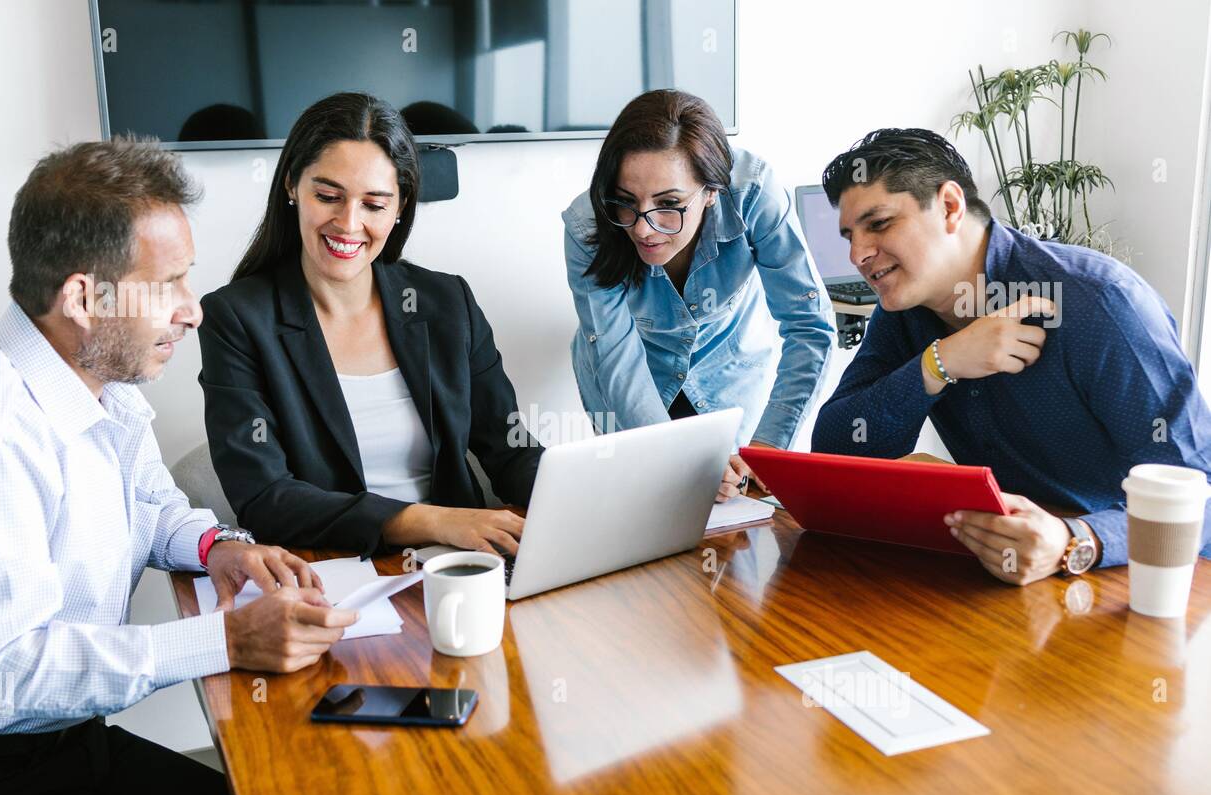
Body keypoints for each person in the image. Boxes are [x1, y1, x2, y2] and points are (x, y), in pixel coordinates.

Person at [0, 138, 359, 795]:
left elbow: (150, 505)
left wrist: (220, 547)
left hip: (69, 745)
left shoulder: (98, 379)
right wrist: (227, 641)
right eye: (171, 284)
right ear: (85, 297)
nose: (194, 312)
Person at [811, 128, 1211, 585]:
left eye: (878, 224)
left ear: (949, 206)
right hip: (1003, 578)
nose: (858, 254)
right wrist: (938, 363)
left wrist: (1075, 540)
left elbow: (1201, 493)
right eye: (849, 236)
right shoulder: (905, 307)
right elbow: (836, 450)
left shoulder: (1099, 303)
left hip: (1137, 581)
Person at [198, 92, 541, 558]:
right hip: (332, 568)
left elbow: (508, 447)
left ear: (400, 208)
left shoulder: (446, 302)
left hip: (458, 566)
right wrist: (432, 520)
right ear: (291, 186)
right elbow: (264, 498)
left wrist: (576, 494)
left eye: (374, 205)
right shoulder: (236, 319)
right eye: (328, 196)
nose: (348, 224)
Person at [562, 89, 834, 501]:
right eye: (626, 202)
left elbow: (809, 325)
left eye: (669, 203)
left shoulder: (754, 193)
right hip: (634, 384)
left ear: (711, 192)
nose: (643, 229)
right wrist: (680, 462)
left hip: (730, 371)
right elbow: (616, 353)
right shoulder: (588, 226)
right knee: (649, 506)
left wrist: (769, 450)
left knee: (738, 520)